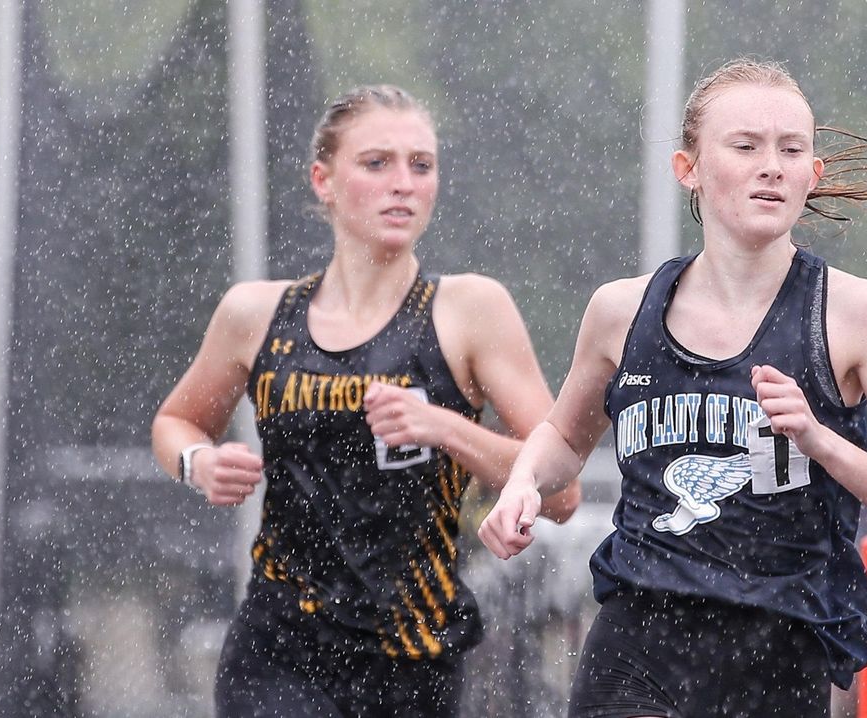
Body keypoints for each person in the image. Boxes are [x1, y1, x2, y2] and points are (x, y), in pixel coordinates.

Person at [478, 58, 867, 718]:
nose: (772, 165)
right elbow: (564, 435)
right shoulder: (621, 310)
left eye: (791, 149)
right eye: (745, 146)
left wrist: (823, 443)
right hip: (638, 643)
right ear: (689, 169)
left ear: (811, 174)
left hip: (777, 649)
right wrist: (524, 481)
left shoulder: (857, 315)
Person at [151, 84, 579, 718]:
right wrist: (197, 463)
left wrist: (442, 427)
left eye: (421, 165)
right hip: (279, 644)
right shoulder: (256, 312)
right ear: (323, 181)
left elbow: (562, 491)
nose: (403, 183)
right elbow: (176, 421)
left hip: (411, 654)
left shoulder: (471, 310)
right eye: (377, 163)